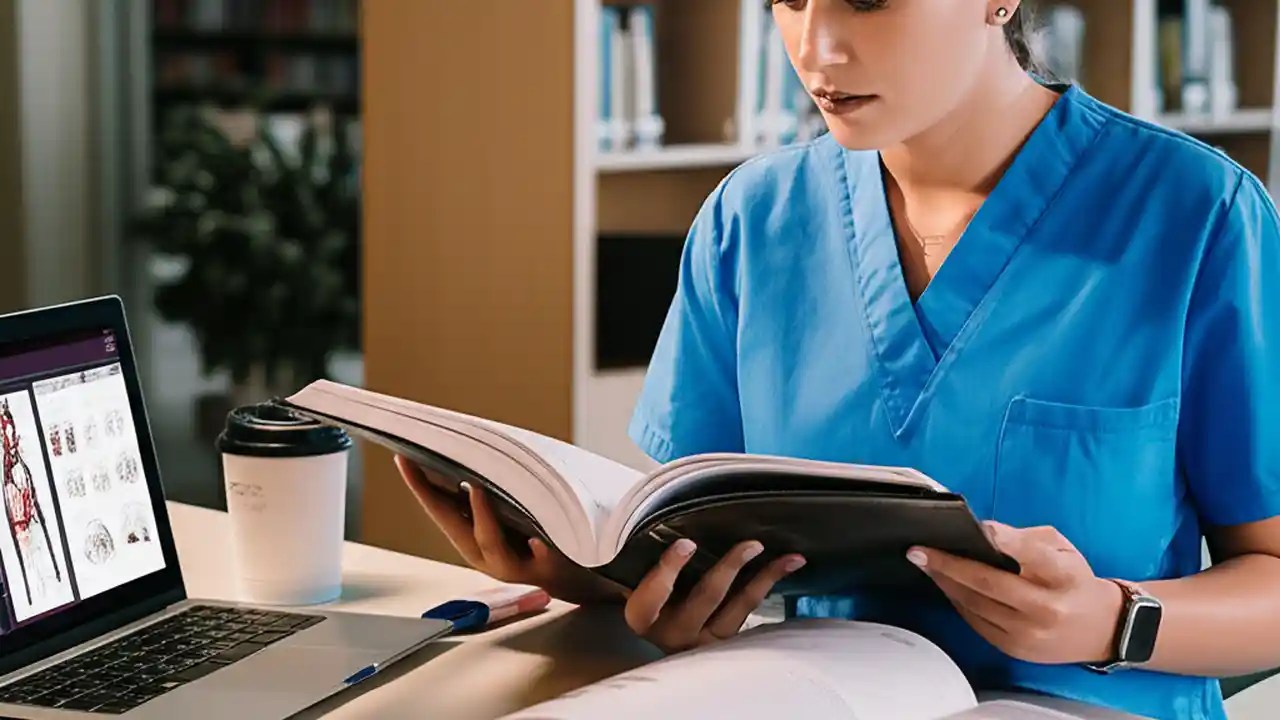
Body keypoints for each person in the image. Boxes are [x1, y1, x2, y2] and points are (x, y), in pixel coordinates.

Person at [396, 1, 1280, 718]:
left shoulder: (1197, 217)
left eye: (867, 0)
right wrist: (584, 572)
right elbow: (689, 535)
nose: (817, 46)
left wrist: (1114, 620)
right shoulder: (752, 221)